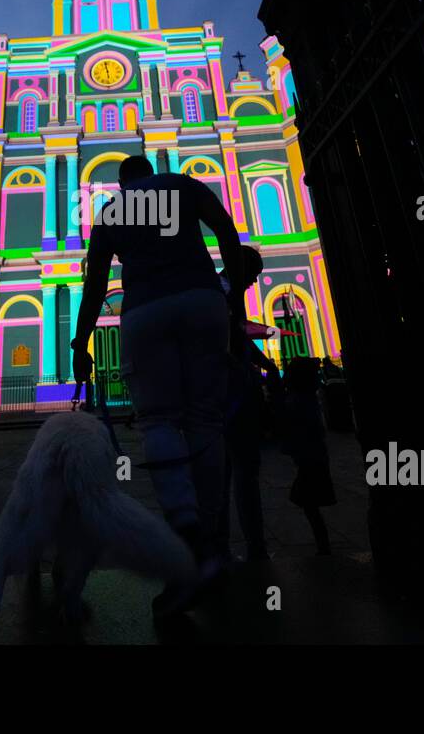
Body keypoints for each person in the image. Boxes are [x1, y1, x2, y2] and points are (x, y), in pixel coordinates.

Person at [71, 154, 244, 617]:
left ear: (124, 180)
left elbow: (94, 282)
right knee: (207, 419)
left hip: (145, 308)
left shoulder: (111, 210)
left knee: (159, 420)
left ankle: (188, 536)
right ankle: (216, 545)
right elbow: (227, 231)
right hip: (203, 298)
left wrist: (81, 341)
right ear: (150, 171)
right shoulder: (183, 185)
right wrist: (238, 301)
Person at [216, 245, 275, 562]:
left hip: (231, 391)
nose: (253, 284)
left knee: (235, 471)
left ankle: (249, 545)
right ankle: (236, 547)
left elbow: (240, 335)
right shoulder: (217, 294)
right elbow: (232, 338)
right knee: (232, 472)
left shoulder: (226, 293)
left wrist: (265, 363)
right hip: (226, 394)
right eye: (252, 277)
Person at [280, 357, 336, 555]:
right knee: (308, 503)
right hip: (314, 457)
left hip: (309, 459)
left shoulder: (297, 402)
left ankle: (324, 546)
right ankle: (323, 545)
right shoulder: (308, 400)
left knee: (307, 502)